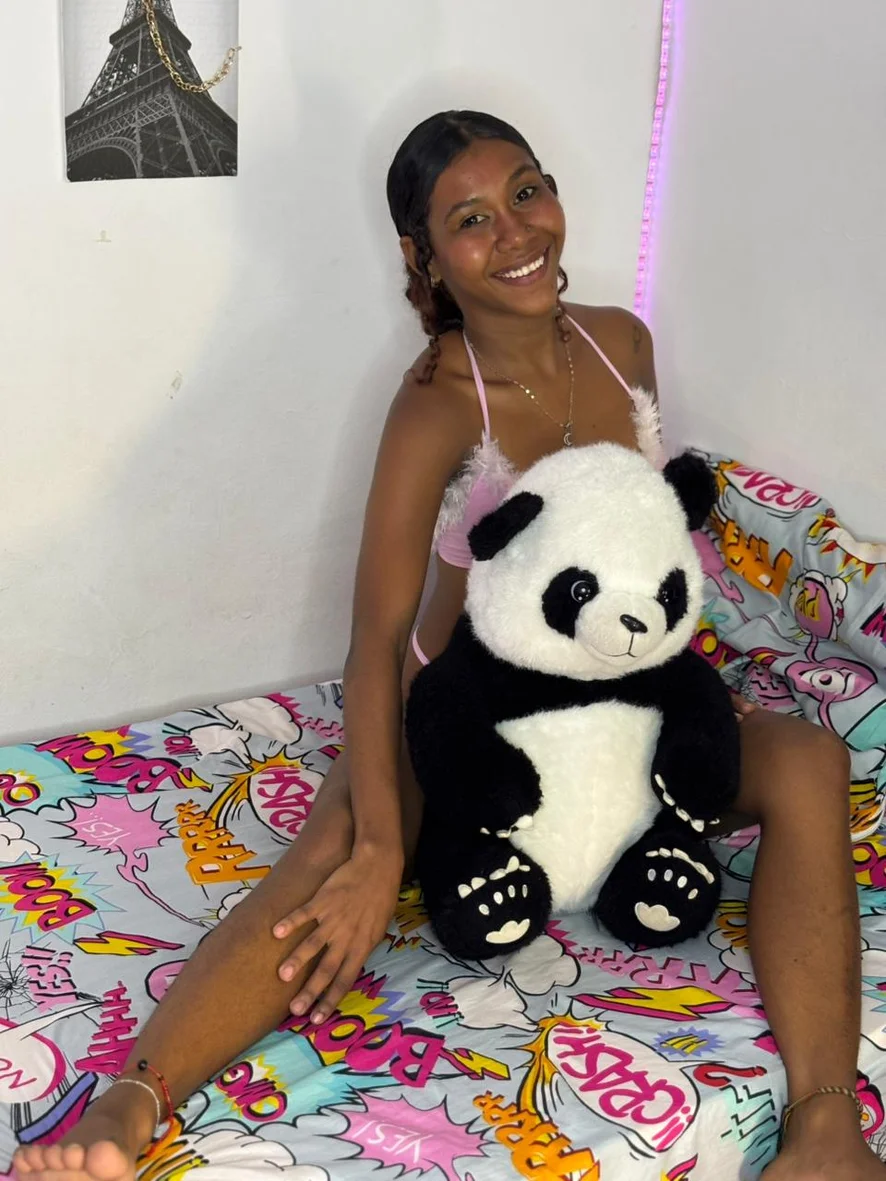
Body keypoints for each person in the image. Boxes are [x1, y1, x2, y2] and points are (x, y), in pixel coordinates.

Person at [13, 110, 880, 1181]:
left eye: (527, 191)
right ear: (422, 257)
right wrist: (381, 844)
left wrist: (683, 677)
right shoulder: (434, 407)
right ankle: (130, 1100)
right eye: (470, 220)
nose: (516, 231)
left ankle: (825, 1124)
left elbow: (640, 531)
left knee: (806, 758)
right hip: (475, 712)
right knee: (334, 851)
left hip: (614, 702)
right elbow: (375, 641)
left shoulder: (623, 344)